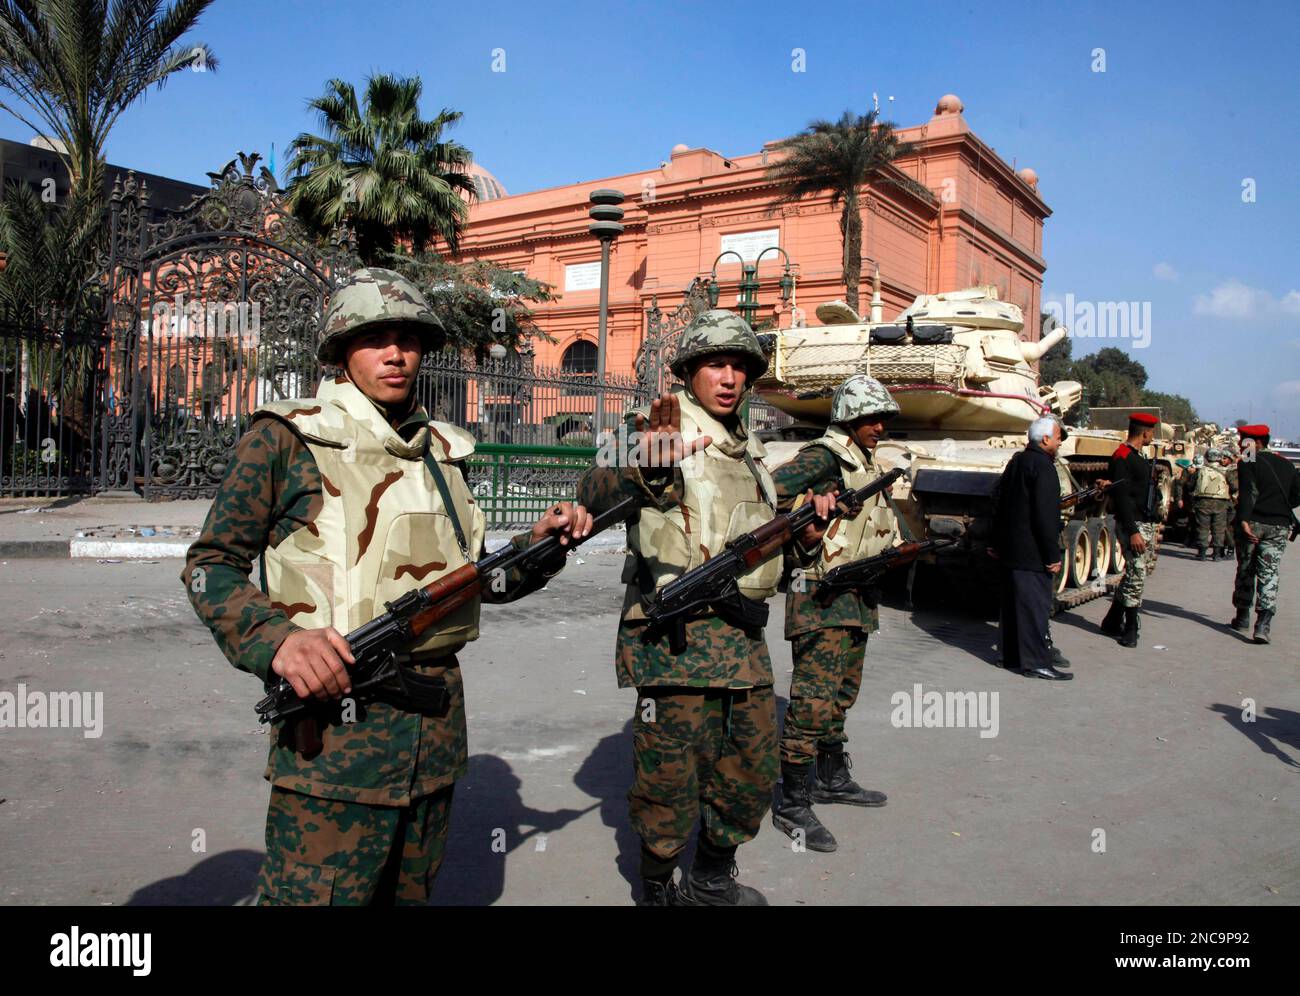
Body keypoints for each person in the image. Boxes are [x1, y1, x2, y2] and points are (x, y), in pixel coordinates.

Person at [183, 267, 590, 905]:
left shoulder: (444, 452)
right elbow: (211, 564)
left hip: (434, 732)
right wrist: (278, 641)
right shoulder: (286, 437)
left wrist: (541, 546)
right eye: (376, 338)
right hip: (335, 744)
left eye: (408, 338)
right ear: (343, 350)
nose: (396, 354)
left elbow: (479, 579)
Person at [576, 309, 789, 906]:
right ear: (689, 371)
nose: (730, 378)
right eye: (716, 364)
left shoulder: (747, 449)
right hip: (677, 641)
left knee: (748, 771)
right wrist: (644, 459)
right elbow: (590, 493)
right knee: (668, 780)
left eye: (740, 367)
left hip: (744, 643)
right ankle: (658, 885)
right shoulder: (651, 426)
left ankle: (712, 878)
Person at [766, 374, 899, 852]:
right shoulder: (823, 457)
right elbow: (769, 492)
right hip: (821, 595)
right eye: (871, 418)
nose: (880, 427)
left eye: (883, 419)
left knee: (841, 694)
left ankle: (831, 776)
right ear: (849, 418)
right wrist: (807, 514)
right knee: (810, 702)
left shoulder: (865, 462)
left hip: (857, 596)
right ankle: (793, 799)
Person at [991, 416, 1072, 680]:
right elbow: (1045, 515)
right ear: (1046, 439)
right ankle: (1037, 663)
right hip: (1033, 553)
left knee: (1013, 608)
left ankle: (1010, 656)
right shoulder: (1044, 467)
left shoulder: (1017, 461)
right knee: (1035, 609)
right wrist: (1052, 554)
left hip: (1011, 550)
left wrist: (995, 541)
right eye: (1058, 437)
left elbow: (998, 502)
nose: (1060, 442)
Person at [1230, 424, 1300, 644]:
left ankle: (1242, 616)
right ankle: (1263, 624)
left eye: (1244, 442)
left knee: (1246, 568)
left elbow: (1248, 492)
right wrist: (1279, 507)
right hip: (1278, 526)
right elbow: (1297, 495)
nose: (1242, 447)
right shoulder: (1287, 466)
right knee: (1269, 572)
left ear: (1255, 443)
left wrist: (1243, 519)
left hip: (1253, 524)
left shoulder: (1249, 461)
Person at [1098, 413, 1160, 648]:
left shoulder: (1137, 457)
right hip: (1133, 524)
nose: (1152, 436)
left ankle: (1112, 619)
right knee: (1136, 573)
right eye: (1151, 432)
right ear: (1144, 432)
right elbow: (1122, 497)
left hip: (1143, 522)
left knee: (1136, 572)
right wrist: (1133, 530)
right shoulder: (1122, 456)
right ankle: (1131, 626)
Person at [1182, 448, 1237, 560]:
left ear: (1207, 457)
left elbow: (1190, 486)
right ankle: (1216, 554)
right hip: (1221, 503)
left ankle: (1202, 553)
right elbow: (1234, 487)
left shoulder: (1200, 470)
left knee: (1203, 528)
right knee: (1219, 529)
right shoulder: (1226, 471)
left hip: (1202, 502)